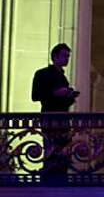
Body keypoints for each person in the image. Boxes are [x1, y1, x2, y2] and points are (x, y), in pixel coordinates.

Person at [31, 43, 79, 178]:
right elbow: (35, 96)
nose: (67, 59)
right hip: (50, 117)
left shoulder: (63, 77)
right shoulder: (42, 74)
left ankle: (60, 176)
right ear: (54, 57)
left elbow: (64, 101)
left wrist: (70, 96)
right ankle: (49, 177)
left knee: (63, 150)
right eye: (64, 56)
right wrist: (55, 93)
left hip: (63, 119)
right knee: (51, 149)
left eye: (68, 56)